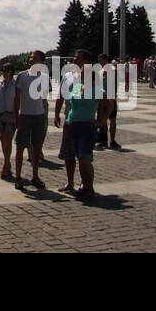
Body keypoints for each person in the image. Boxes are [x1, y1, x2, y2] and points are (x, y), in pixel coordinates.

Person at [55, 50, 111, 199]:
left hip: (87, 125)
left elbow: (106, 104)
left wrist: (101, 121)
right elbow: (67, 101)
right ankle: (72, 183)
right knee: (71, 155)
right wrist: (63, 118)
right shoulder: (72, 81)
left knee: (83, 157)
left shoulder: (95, 83)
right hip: (72, 123)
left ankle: (87, 185)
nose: (74, 59)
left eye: (77, 57)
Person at [12, 50, 50, 190]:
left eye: (34, 58)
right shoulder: (23, 76)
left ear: (42, 61)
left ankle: (35, 176)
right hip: (25, 115)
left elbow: (44, 98)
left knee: (36, 148)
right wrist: (16, 116)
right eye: (31, 58)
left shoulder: (45, 77)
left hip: (39, 115)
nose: (31, 60)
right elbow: (16, 98)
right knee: (20, 147)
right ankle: (18, 177)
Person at [0, 63, 17, 180]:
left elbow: (19, 100)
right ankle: (7, 162)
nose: (5, 72)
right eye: (4, 70)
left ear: (11, 72)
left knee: (8, 140)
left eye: (7, 70)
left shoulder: (16, 85)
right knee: (3, 140)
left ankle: (6, 164)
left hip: (10, 114)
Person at [94, 53, 120, 149]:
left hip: (110, 97)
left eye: (100, 60)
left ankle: (112, 140)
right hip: (101, 97)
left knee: (112, 120)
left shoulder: (112, 69)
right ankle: (104, 140)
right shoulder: (101, 70)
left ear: (105, 60)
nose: (99, 62)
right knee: (102, 120)